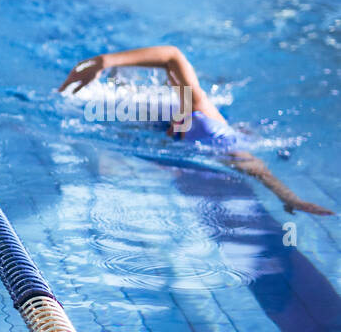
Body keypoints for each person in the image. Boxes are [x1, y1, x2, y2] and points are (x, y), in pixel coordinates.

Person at [59, 45, 333, 216]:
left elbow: (256, 169)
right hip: (182, 118)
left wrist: (290, 198)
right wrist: (104, 61)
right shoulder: (199, 112)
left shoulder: (213, 139)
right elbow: (173, 54)